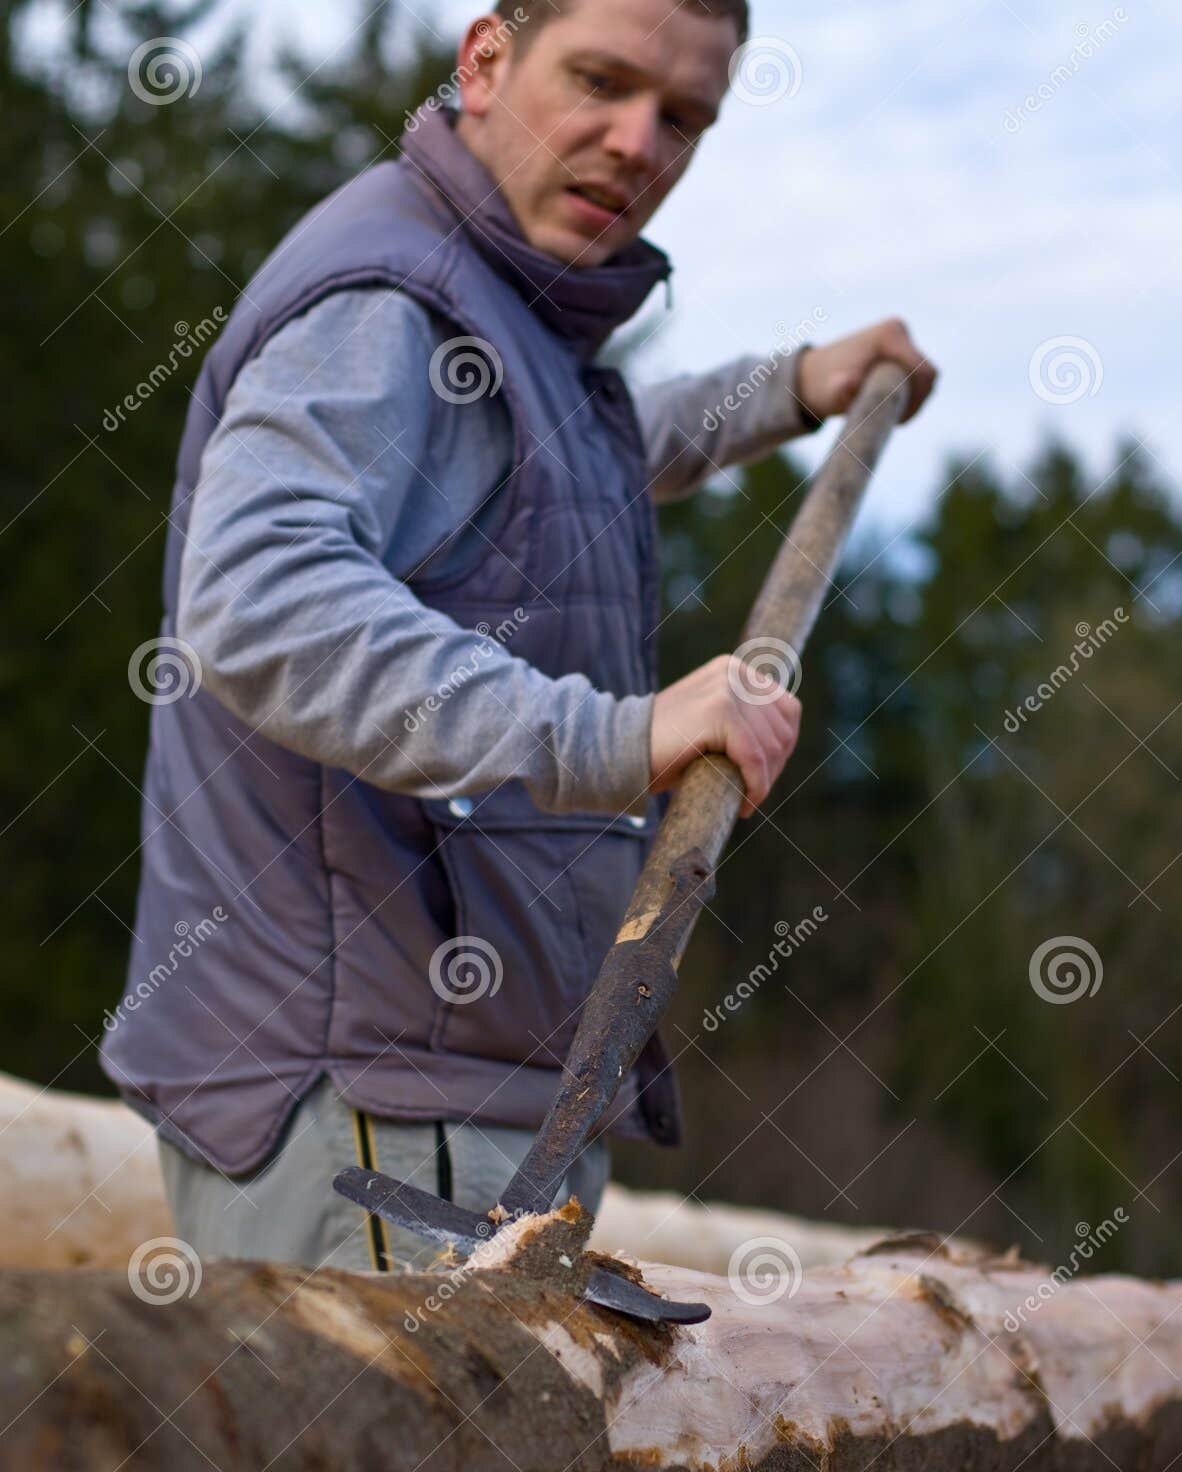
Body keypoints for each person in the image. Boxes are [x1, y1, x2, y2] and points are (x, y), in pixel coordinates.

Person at [100, 0, 938, 1274]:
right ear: (484, 59)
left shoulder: (495, 304)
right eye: (599, 82)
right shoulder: (392, 301)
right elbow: (260, 602)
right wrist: (618, 735)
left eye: (682, 118)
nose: (636, 143)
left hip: (442, 1101)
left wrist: (783, 386)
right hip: (379, 1120)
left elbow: (561, 461)